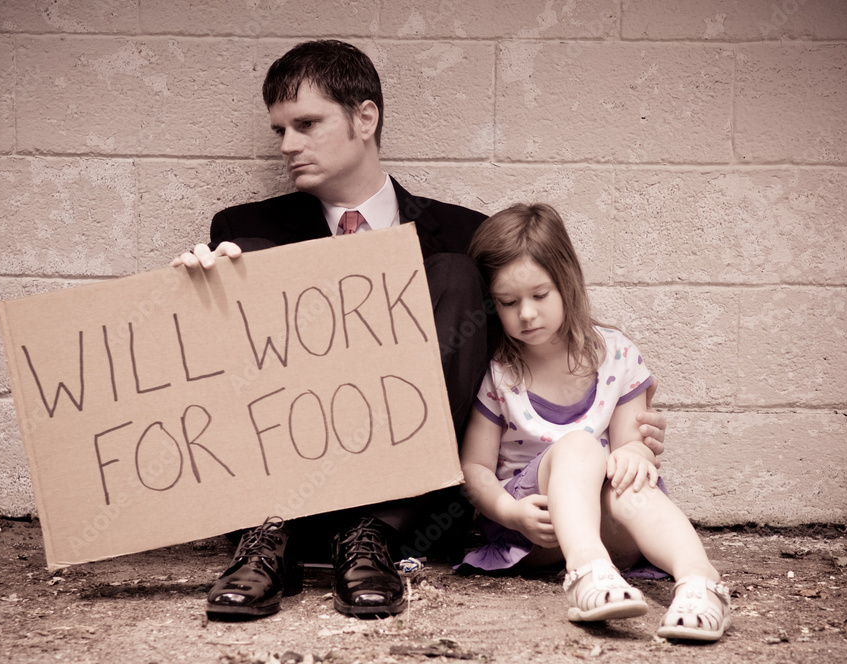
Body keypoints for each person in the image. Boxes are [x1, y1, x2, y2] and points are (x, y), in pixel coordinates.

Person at [171, 40, 668, 620]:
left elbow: (527, 350)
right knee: (250, 258)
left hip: (407, 513)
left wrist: (620, 423)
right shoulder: (244, 227)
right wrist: (201, 291)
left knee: (454, 275)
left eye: (306, 124)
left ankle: (371, 532)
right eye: (279, 129)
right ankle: (269, 536)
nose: (287, 145)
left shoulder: (465, 236)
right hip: (283, 499)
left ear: (365, 117)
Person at [460, 203, 730, 641]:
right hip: (533, 534)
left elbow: (628, 447)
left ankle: (700, 581)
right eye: (508, 303)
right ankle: (587, 572)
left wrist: (637, 450)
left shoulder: (615, 355)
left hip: (613, 531)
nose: (526, 314)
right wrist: (509, 512)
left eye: (540, 295)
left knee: (628, 477)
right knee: (581, 446)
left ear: (566, 282)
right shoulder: (499, 372)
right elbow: (473, 468)